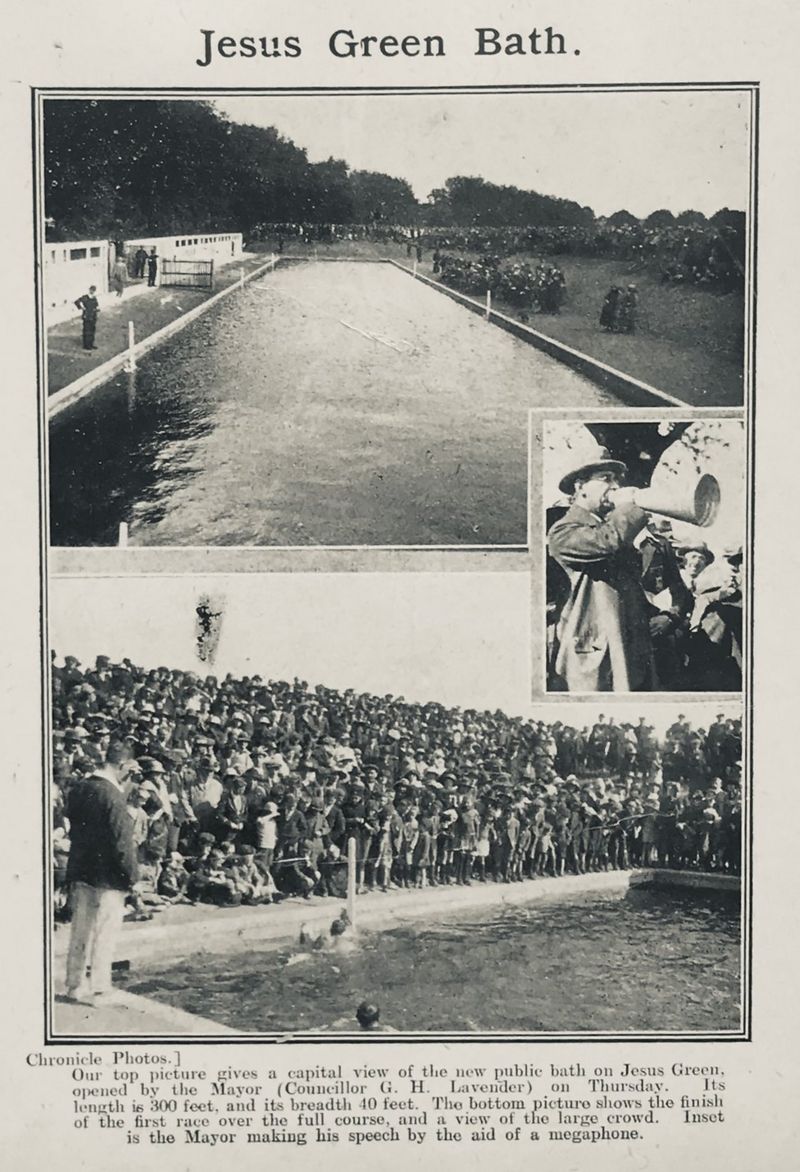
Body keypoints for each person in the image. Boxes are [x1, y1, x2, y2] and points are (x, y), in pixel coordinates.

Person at [548, 449, 654, 692]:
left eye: (618, 480)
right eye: (606, 478)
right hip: (593, 653)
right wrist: (628, 509)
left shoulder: (609, 527)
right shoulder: (563, 531)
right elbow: (607, 541)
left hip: (627, 648)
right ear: (580, 486)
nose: (615, 486)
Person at [64, 740, 138, 1003]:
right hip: (109, 875)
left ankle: (74, 984)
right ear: (122, 766)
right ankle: (99, 987)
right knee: (105, 931)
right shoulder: (114, 796)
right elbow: (122, 843)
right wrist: (132, 876)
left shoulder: (79, 789)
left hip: (82, 870)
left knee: (80, 929)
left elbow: (73, 826)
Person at [74, 285, 99, 350]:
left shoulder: (94, 298)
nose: (92, 291)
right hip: (87, 316)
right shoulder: (85, 297)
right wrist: (82, 308)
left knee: (92, 330)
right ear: (89, 290)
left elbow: (96, 306)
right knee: (87, 330)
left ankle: (91, 344)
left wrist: (96, 311)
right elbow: (77, 302)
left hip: (93, 316)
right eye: (91, 290)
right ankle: (86, 345)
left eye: (94, 290)